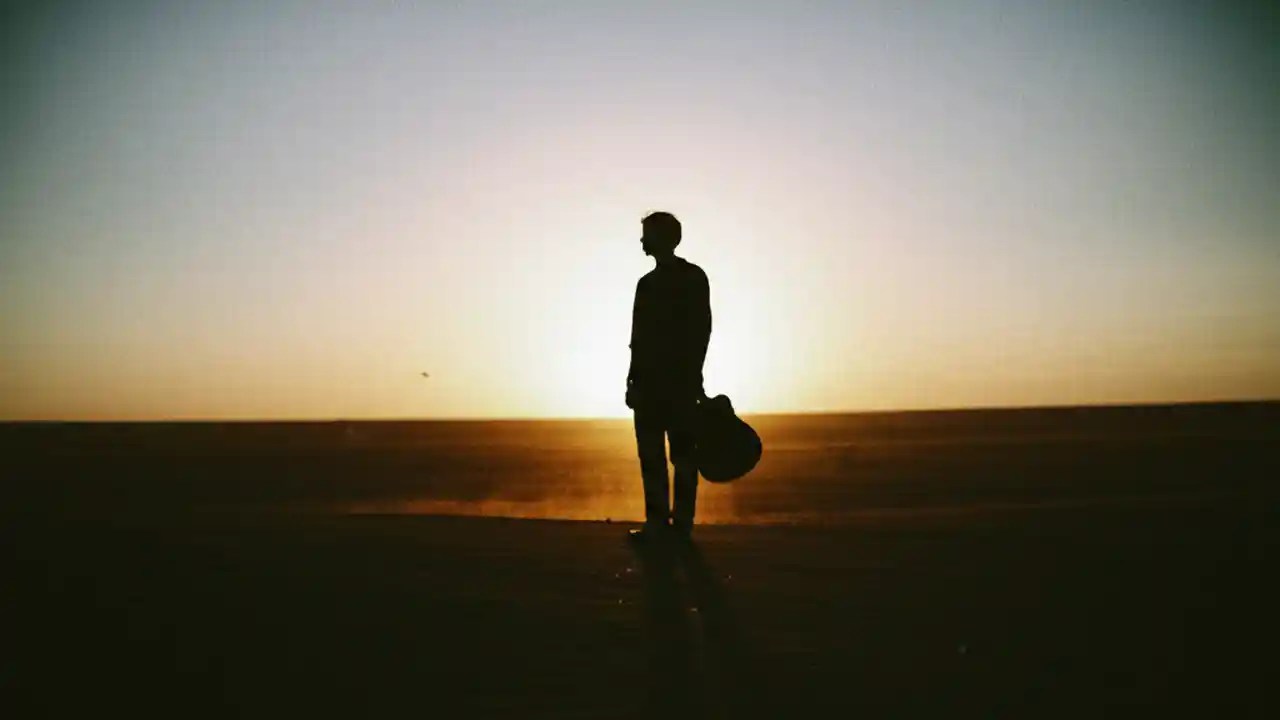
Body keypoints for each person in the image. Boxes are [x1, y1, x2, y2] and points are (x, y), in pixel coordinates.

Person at [626, 211, 711, 540]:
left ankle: (675, 524)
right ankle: (665, 524)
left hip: (674, 383)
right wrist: (632, 378)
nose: (643, 241)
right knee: (656, 455)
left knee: (679, 455)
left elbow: (700, 329)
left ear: (663, 238)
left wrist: (693, 375)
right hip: (656, 383)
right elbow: (638, 337)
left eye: (647, 234)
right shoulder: (648, 284)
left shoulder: (689, 279)